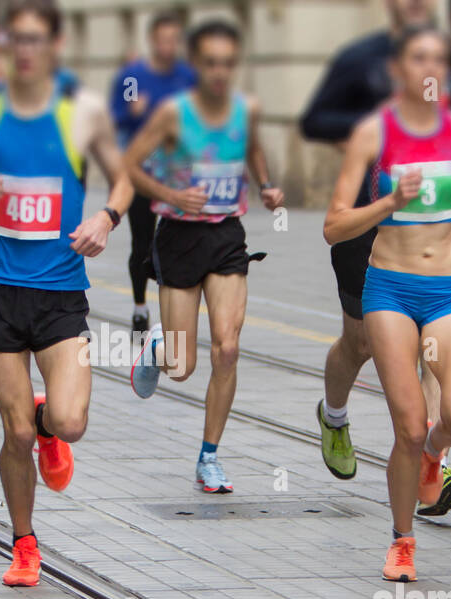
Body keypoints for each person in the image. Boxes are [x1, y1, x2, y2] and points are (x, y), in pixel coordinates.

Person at [0, 0, 133, 587]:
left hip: (62, 290)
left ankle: (49, 424)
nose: (25, 51)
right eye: (15, 40)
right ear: (3, 48)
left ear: (55, 47)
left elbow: (123, 179)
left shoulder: (83, 113)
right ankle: (23, 543)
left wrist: (106, 216)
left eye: (36, 40)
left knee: (69, 423)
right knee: (13, 433)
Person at [323, 25, 451, 582]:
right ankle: (403, 541)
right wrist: (386, 202)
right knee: (406, 425)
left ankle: (435, 452)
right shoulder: (373, 134)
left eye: (438, 61)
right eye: (418, 60)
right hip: (391, 291)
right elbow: (334, 227)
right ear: (399, 71)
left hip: (448, 290)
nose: (430, 70)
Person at [299, 0, 451, 516]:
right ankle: (333, 415)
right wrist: (378, 128)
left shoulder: (441, 60)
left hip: (434, 226)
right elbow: (314, 120)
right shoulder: (362, 59)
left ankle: (429, 466)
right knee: (359, 344)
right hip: (367, 223)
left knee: (430, 349)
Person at [126, 19, 283, 494]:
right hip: (177, 236)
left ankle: (208, 458)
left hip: (225, 236)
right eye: (210, 63)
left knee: (228, 348)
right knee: (181, 367)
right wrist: (171, 191)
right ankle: (158, 347)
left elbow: (253, 148)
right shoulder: (173, 113)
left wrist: (267, 185)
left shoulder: (245, 110)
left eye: (227, 64)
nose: (219, 72)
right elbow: (130, 166)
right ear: (196, 65)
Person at [108, 11, 194, 334]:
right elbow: (117, 115)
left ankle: (174, 310)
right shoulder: (133, 77)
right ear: (153, 41)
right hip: (142, 172)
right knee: (142, 242)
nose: (168, 46)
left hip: (178, 173)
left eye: (174, 40)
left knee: (176, 243)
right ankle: (140, 306)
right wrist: (132, 112)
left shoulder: (187, 76)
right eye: (163, 40)